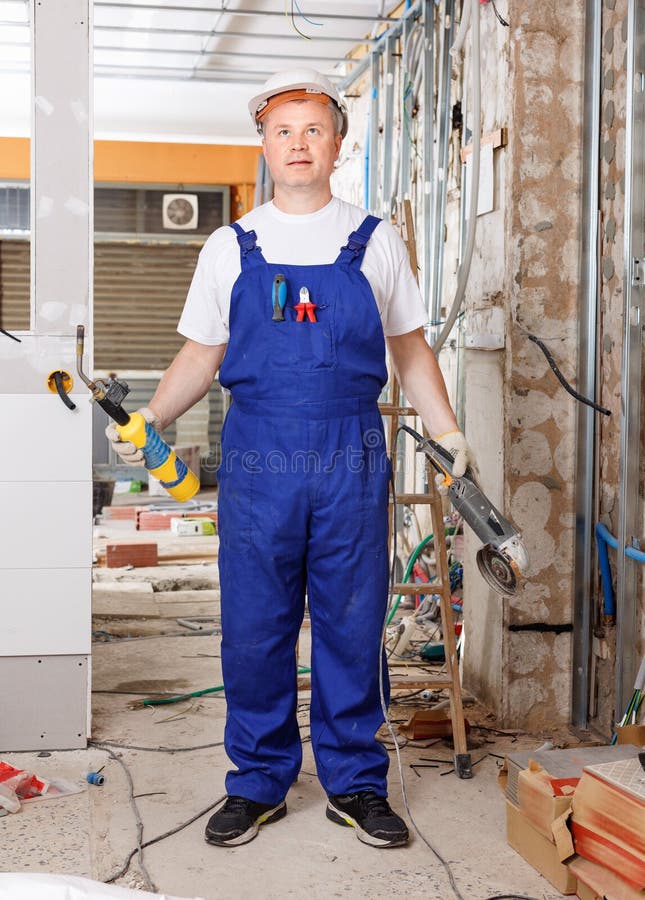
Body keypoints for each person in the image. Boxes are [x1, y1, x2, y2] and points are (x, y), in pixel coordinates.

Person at [107, 68, 477, 850]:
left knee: (351, 623)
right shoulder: (228, 245)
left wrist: (447, 431)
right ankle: (257, 781)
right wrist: (150, 416)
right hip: (259, 455)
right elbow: (200, 354)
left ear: (337, 143)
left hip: (350, 451)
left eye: (312, 129)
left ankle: (355, 782)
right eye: (283, 131)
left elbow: (410, 349)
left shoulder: (375, 240)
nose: (298, 143)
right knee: (255, 626)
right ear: (264, 145)